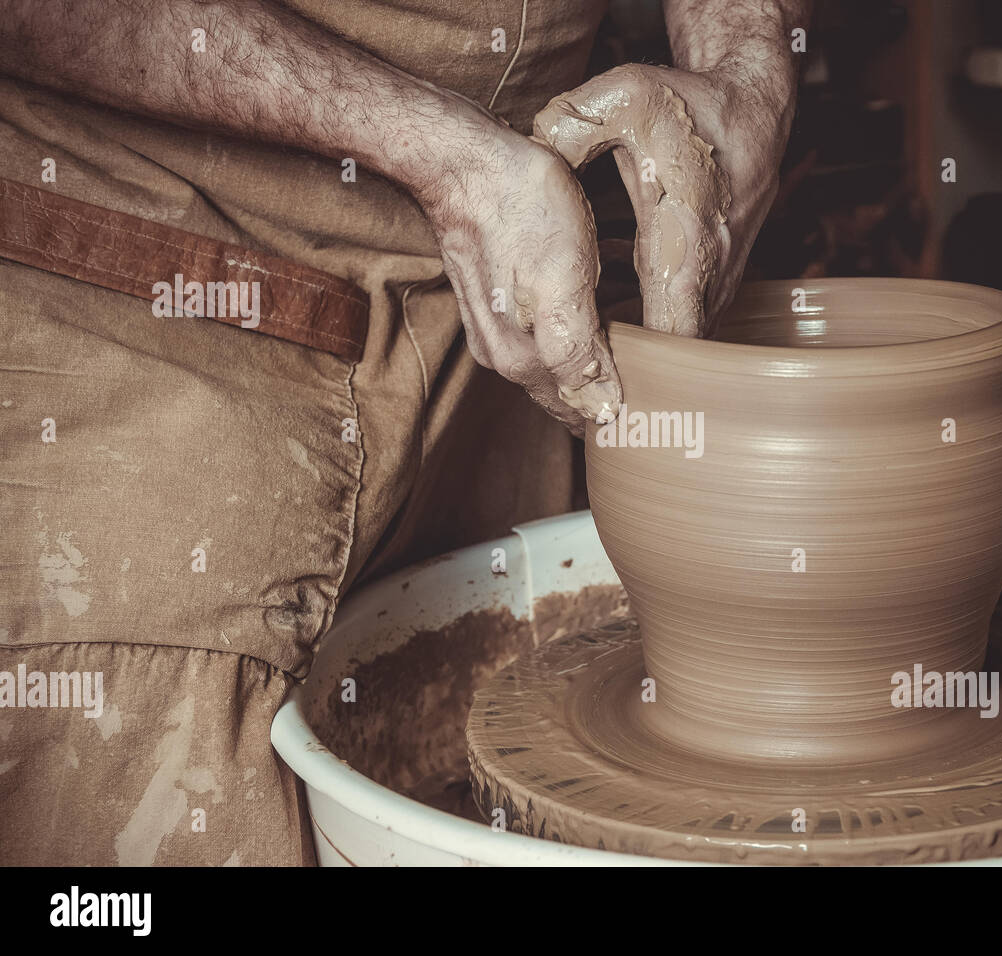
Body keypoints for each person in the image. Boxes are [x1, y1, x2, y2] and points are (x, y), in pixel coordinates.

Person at [0, 0, 805, 864]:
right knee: (161, 781)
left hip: (506, 287)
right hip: (150, 270)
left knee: (513, 710)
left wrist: (748, 74)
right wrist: (441, 156)